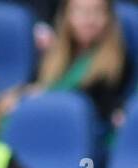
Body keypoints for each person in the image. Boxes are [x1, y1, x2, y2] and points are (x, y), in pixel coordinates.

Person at [35, 0, 133, 133]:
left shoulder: (118, 63)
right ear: (66, 15)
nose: (89, 20)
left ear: (109, 17)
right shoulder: (52, 58)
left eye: (97, 11)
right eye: (80, 11)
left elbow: (104, 110)